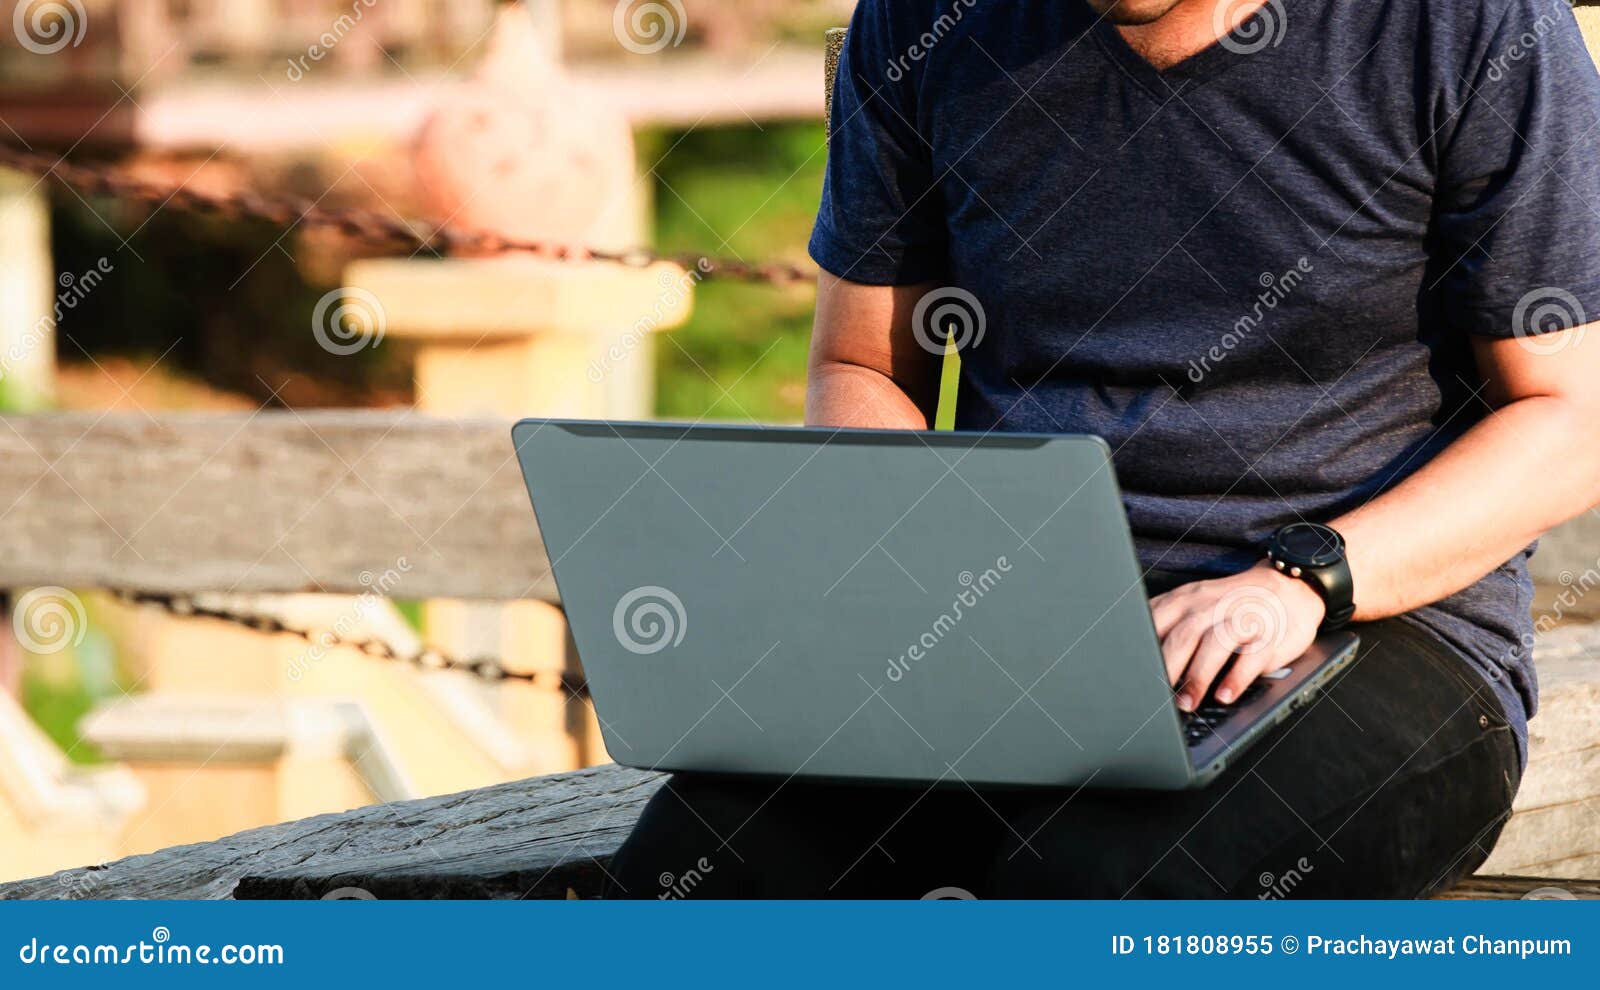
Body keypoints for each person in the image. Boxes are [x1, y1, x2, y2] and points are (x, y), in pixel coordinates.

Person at [608, 0, 1600, 898]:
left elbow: (1570, 418)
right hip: (1018, 630)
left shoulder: (1468, 27)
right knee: (692, 877)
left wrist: (1295, 583)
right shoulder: (924, 24)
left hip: (1375, 626)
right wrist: (910, 573)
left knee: (1091, 896)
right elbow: (864, 368)